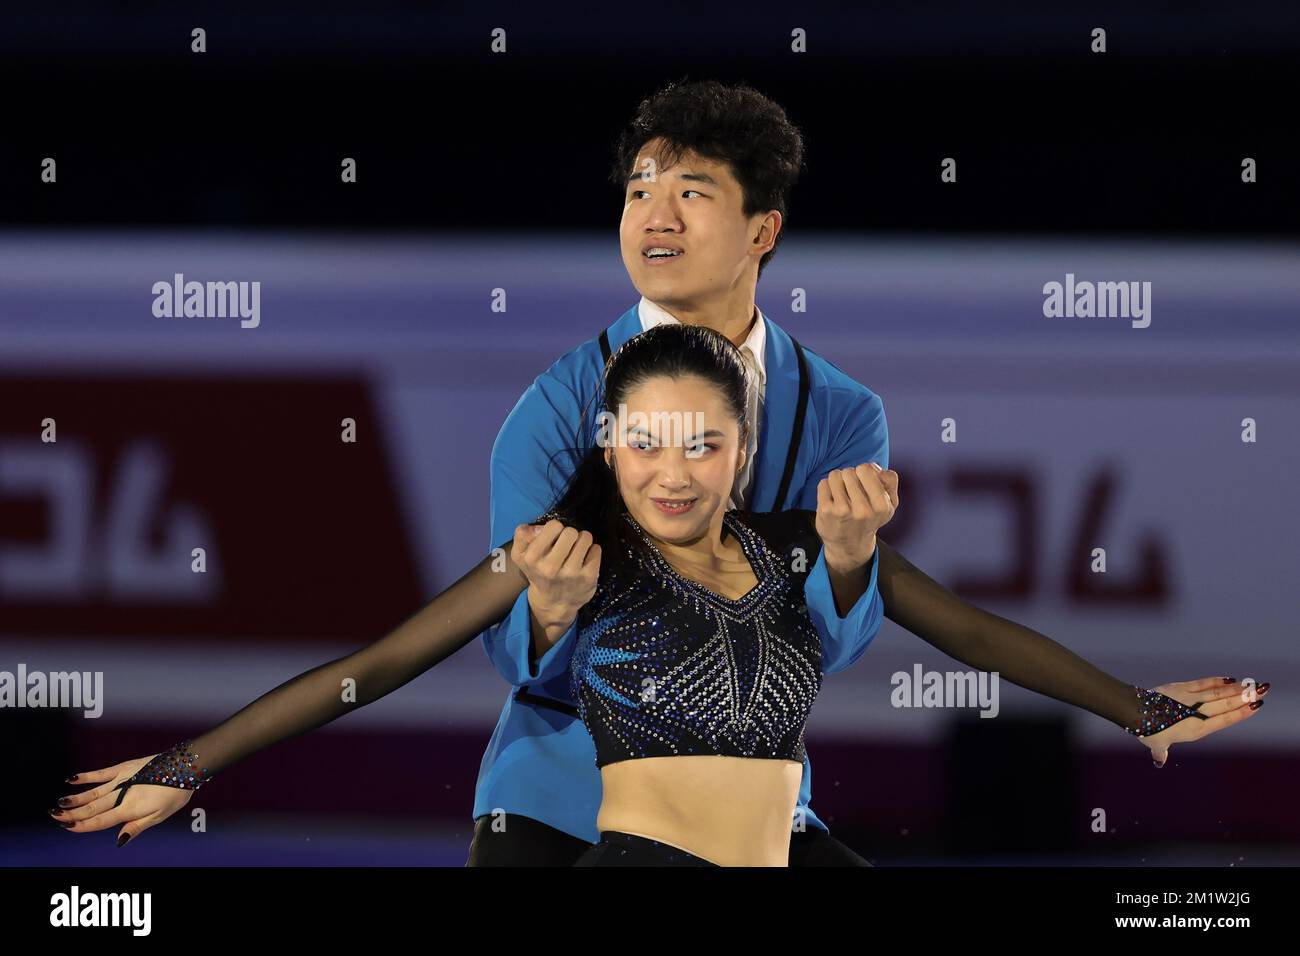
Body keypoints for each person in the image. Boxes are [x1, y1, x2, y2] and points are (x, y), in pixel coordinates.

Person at [53, 324, 1262, 862]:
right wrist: (185, 766)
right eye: (644, 442)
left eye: (700, 444)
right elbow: (367, 669)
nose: (670, 471)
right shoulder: (565, 553)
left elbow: (979, 634)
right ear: (608, 443)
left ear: (741, 450)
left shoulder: (806, 544)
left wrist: (1140, 712)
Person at [464, 78, 1269, 867]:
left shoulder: (840, 412)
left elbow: (840, 643)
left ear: (762, 231)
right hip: (559, 797)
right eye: (640, 191)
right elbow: (512, 649)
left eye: (692, 192)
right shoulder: (558, 405)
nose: (655, 217)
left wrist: (848, 567)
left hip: (756, 803)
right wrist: (549, 612)